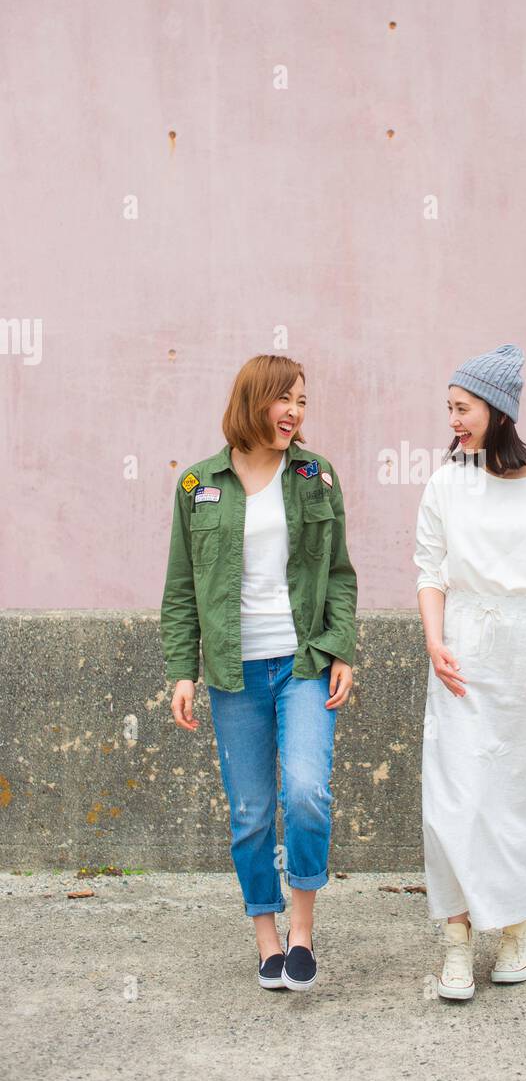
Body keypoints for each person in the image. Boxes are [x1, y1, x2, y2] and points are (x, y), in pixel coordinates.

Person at [159, 354, 357, 991]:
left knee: (307, 792)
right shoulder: (198, 484)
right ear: (253, 401)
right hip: (233, 672)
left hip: (303, 663)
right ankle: (266, 940)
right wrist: (183, 671)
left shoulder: (316, 476)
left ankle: (302, 931)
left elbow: (340, 574)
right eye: (284, 399)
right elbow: (181, 588)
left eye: (302, 401)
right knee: (250, 812)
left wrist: (342, 650)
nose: (294, 412)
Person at [413, 343, 526, 1000]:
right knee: (454, 797)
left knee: (519, 795)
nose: (453, 421)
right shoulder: (445, 482)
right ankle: (457, 940)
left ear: (497, 409)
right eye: (449, 409)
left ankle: (515, 928)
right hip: (461, 650)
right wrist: (434, 642)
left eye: (462, 408)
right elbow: (430, 570)